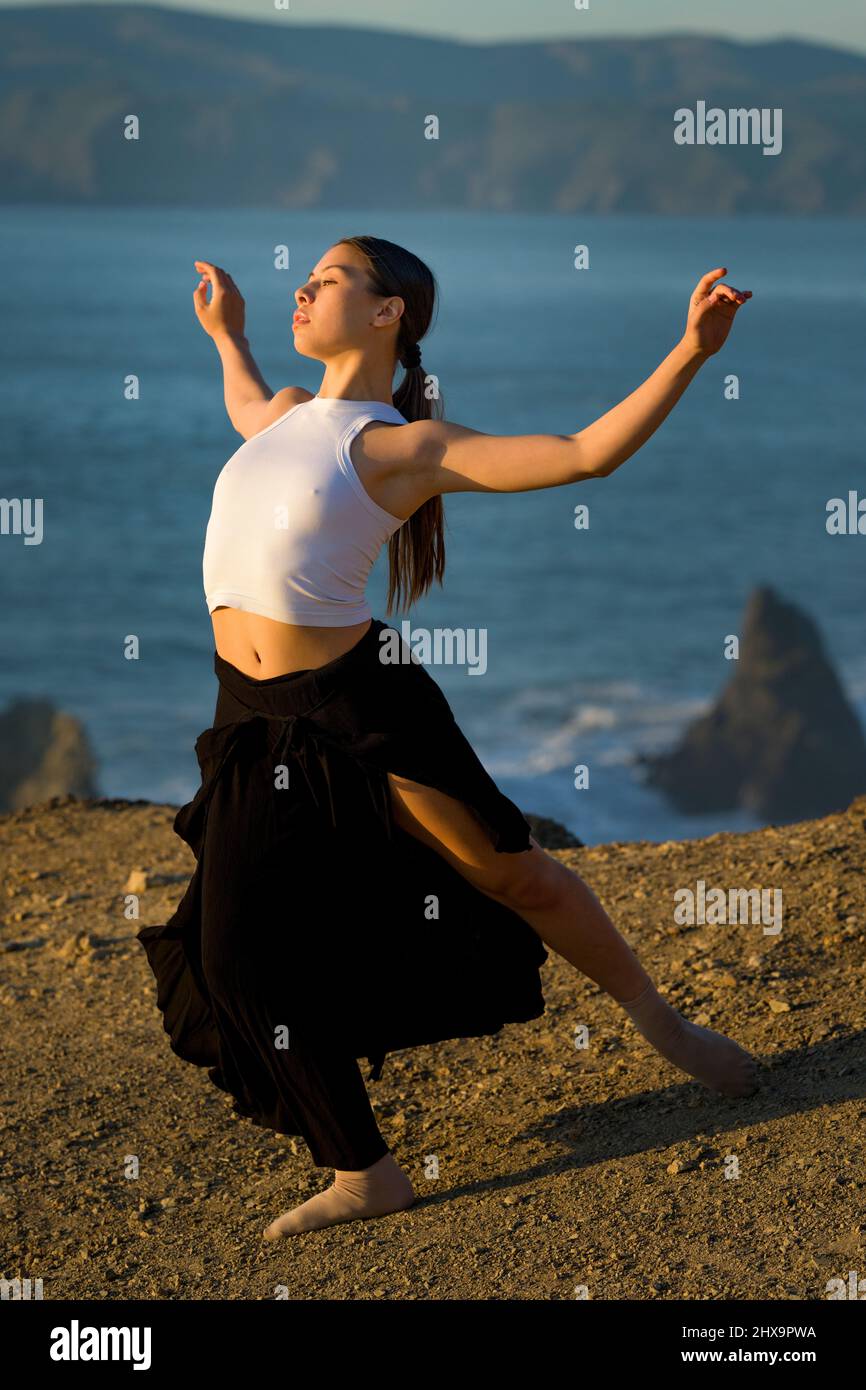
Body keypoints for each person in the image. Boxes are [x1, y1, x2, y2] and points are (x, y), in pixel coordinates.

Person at [137, 235, 756, 1241]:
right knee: (230, 955)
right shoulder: (288, 416)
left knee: (510, 873)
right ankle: (365, 1168)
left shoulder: (403, 448)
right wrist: (229, 336)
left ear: (388, 313)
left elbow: (581, 453)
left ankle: (664, 1024)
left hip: (355, 705)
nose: (305, 285)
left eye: (329, 278)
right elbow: (249, 407)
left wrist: (689, 350)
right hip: (248, 719)